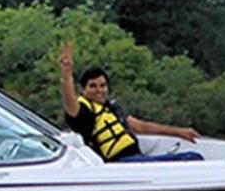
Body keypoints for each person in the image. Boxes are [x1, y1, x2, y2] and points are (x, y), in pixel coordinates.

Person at [58, 42, 204, 162]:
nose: (99, 90)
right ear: (83, 89)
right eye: (93, 86)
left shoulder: (111, 109)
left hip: (137, 157)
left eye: (102, 85)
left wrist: (179, 132)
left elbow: (141, 126)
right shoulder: (83, 111)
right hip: (119, 163)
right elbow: (69, 99)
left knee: (193, 157)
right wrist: (66, 73)